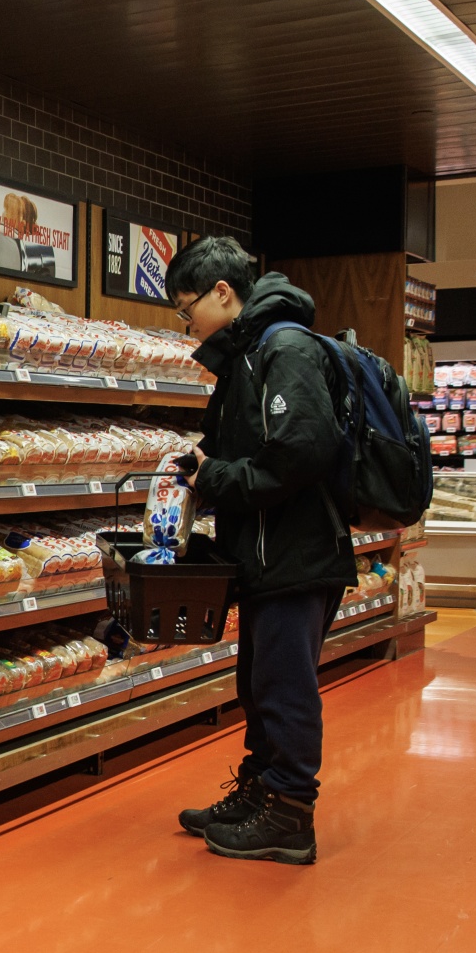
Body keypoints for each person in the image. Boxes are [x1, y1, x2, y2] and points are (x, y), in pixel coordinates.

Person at [166, 236, 355, 865]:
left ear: (223, 292)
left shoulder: (285, 348)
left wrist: (213, 476)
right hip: (268, 552)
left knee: (285, 687)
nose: (185, 321)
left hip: (296, 554)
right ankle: (261, 791)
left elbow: (300, 454)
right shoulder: (249, 355)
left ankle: (291, 812)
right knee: (259, 682)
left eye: (185, 305)